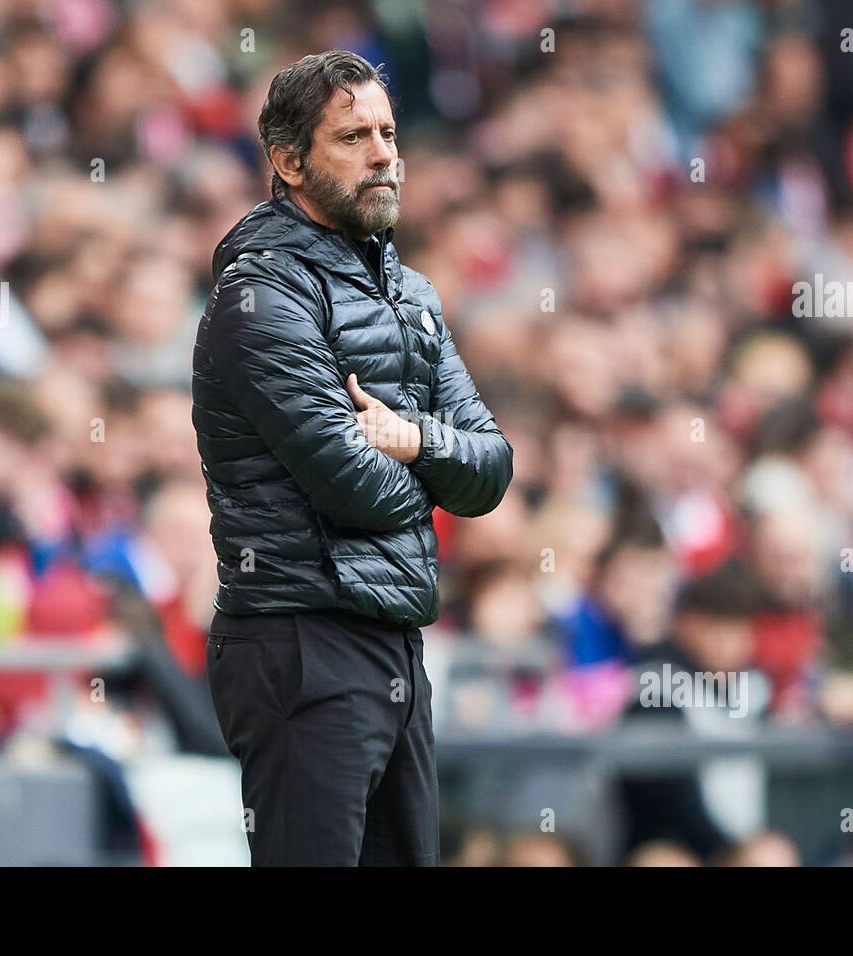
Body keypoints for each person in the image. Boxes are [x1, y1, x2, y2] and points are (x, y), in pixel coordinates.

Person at [191, 51, 513, 866]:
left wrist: (417, 438)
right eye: (352, 137)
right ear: (289, 160)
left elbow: (493, 468)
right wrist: (436, 464)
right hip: (298, 639)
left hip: (395, 637)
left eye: (389, 133)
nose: (382, 155)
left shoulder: (412, 293)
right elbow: (355, 489)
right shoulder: (260, 292)